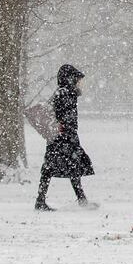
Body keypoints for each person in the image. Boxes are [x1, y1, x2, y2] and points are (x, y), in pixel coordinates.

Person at [35, 64, 96, 211]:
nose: (79, 82)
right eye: (76, 79)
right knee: (65, 166)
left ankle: (42, 200)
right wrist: (65, 129)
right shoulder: (65, 93)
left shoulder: (65, 92)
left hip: (63, 137)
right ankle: (41, 201)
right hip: (63, 137)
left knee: (63, 167)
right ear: (69, 79)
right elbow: (62, 116)